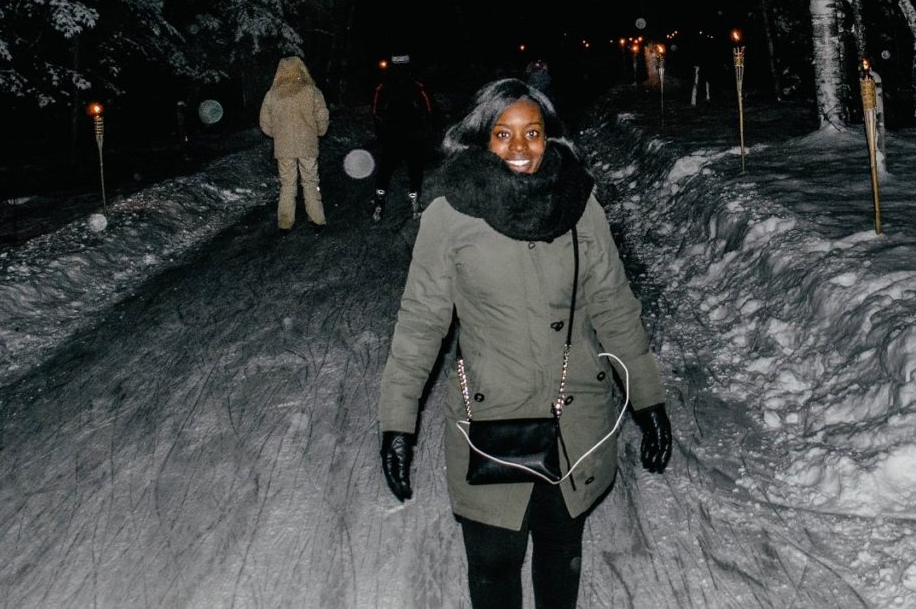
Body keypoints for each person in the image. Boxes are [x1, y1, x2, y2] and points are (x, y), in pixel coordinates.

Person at [377, 78, 673, 609]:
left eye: (532, 132)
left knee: (561, 557)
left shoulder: (580, 205)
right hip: (491, 420)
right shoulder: (452, 213)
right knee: (493, 565)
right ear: (482, 140)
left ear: (550, 138)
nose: (520, 147)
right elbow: (421, 323)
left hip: (574, 414)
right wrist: (397, 421)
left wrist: (648, 400)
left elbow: (614, 305)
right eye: (504, 134)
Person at [258, 55, 330, 234]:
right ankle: (317, 220)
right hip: (307, 144)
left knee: (287, 184)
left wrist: (278, 134)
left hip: (284, 147)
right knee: (311, 181)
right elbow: (322, 115)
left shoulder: (272, 94)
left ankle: (285, 223)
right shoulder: (311, 91)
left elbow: (264, 121)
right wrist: (319, 132)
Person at [371, 54, 435, 222]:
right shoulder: (416, 86)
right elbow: (428, 110)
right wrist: (425, 129)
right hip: (412, 135)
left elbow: (376, 112)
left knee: (385, 169)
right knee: (414, 169)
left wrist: (382, 132)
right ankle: (414, 201)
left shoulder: (383, 87)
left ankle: (379, 202)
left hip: (391, 135)